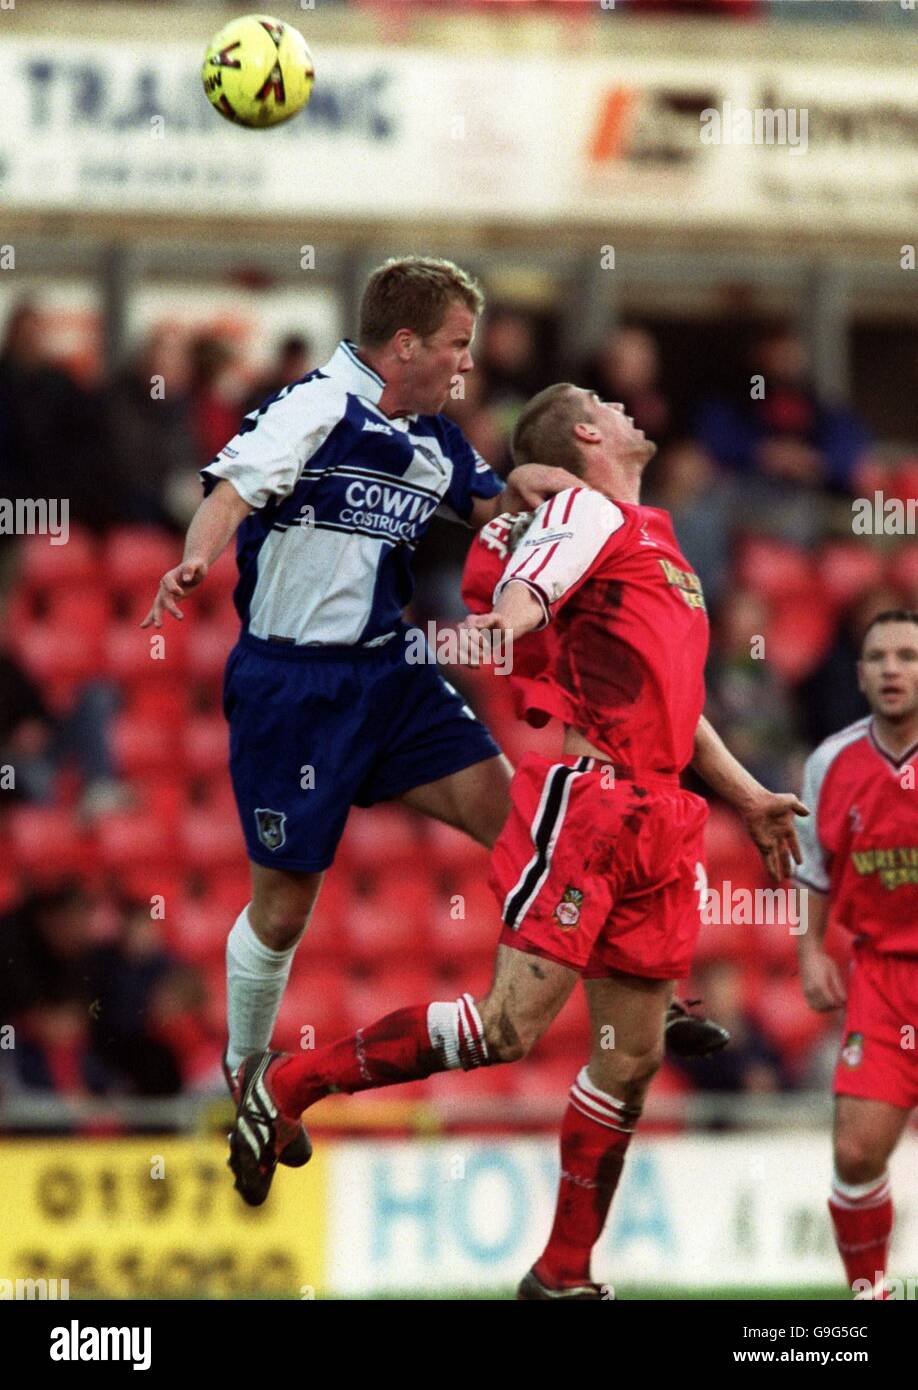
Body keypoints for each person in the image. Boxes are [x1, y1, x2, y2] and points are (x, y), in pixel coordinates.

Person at [227, 382, 807, 1303]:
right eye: (609, 402)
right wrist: (512, 615)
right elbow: (533, 582)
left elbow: (676, 700)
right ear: (587, 433)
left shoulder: (655, 537)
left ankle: (563, 1273)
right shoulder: (588, 510)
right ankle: (291, 1081)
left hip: (664, 816)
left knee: (631, 1055)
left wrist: (745, 798)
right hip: (596, 807)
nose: (628, 407)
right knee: (508, 1030)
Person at [141, 257, 580, 1168]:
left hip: (391, 675)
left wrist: (532, 494)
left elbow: (490, 503)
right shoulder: (314, 408)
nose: (466, 365)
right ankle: (248, 1071)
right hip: (291, 691)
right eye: (457, 345)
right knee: (285, 908)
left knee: (522, 830)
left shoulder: (433, 436)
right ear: (407, 343)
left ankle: (616, 991)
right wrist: (193, 561)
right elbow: (229, 493)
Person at [794, 609, 918, 1301]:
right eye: (878, 658)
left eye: (907, 656)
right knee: (855, 1151)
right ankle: (871, 1297)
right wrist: (810, 951)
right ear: (860, 674)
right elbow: (812, 869)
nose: (893, 669)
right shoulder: (830, 763)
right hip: (882, 976)